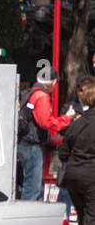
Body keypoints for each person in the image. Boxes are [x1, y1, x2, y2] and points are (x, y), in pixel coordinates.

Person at [18, 70, 71, 200]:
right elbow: (46, 122)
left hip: (24, 143)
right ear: (53, 82)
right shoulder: (42, 96)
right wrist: (67, 118)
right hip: (32, 146)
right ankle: (29, 212)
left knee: (31, 183)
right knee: (33, 188)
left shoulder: (30, 93)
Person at [58, 78, 95, 225]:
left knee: (83, 216)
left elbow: (63, 153)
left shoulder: (77, 123)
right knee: (91, 218)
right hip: (91, 176)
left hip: (74, 176)